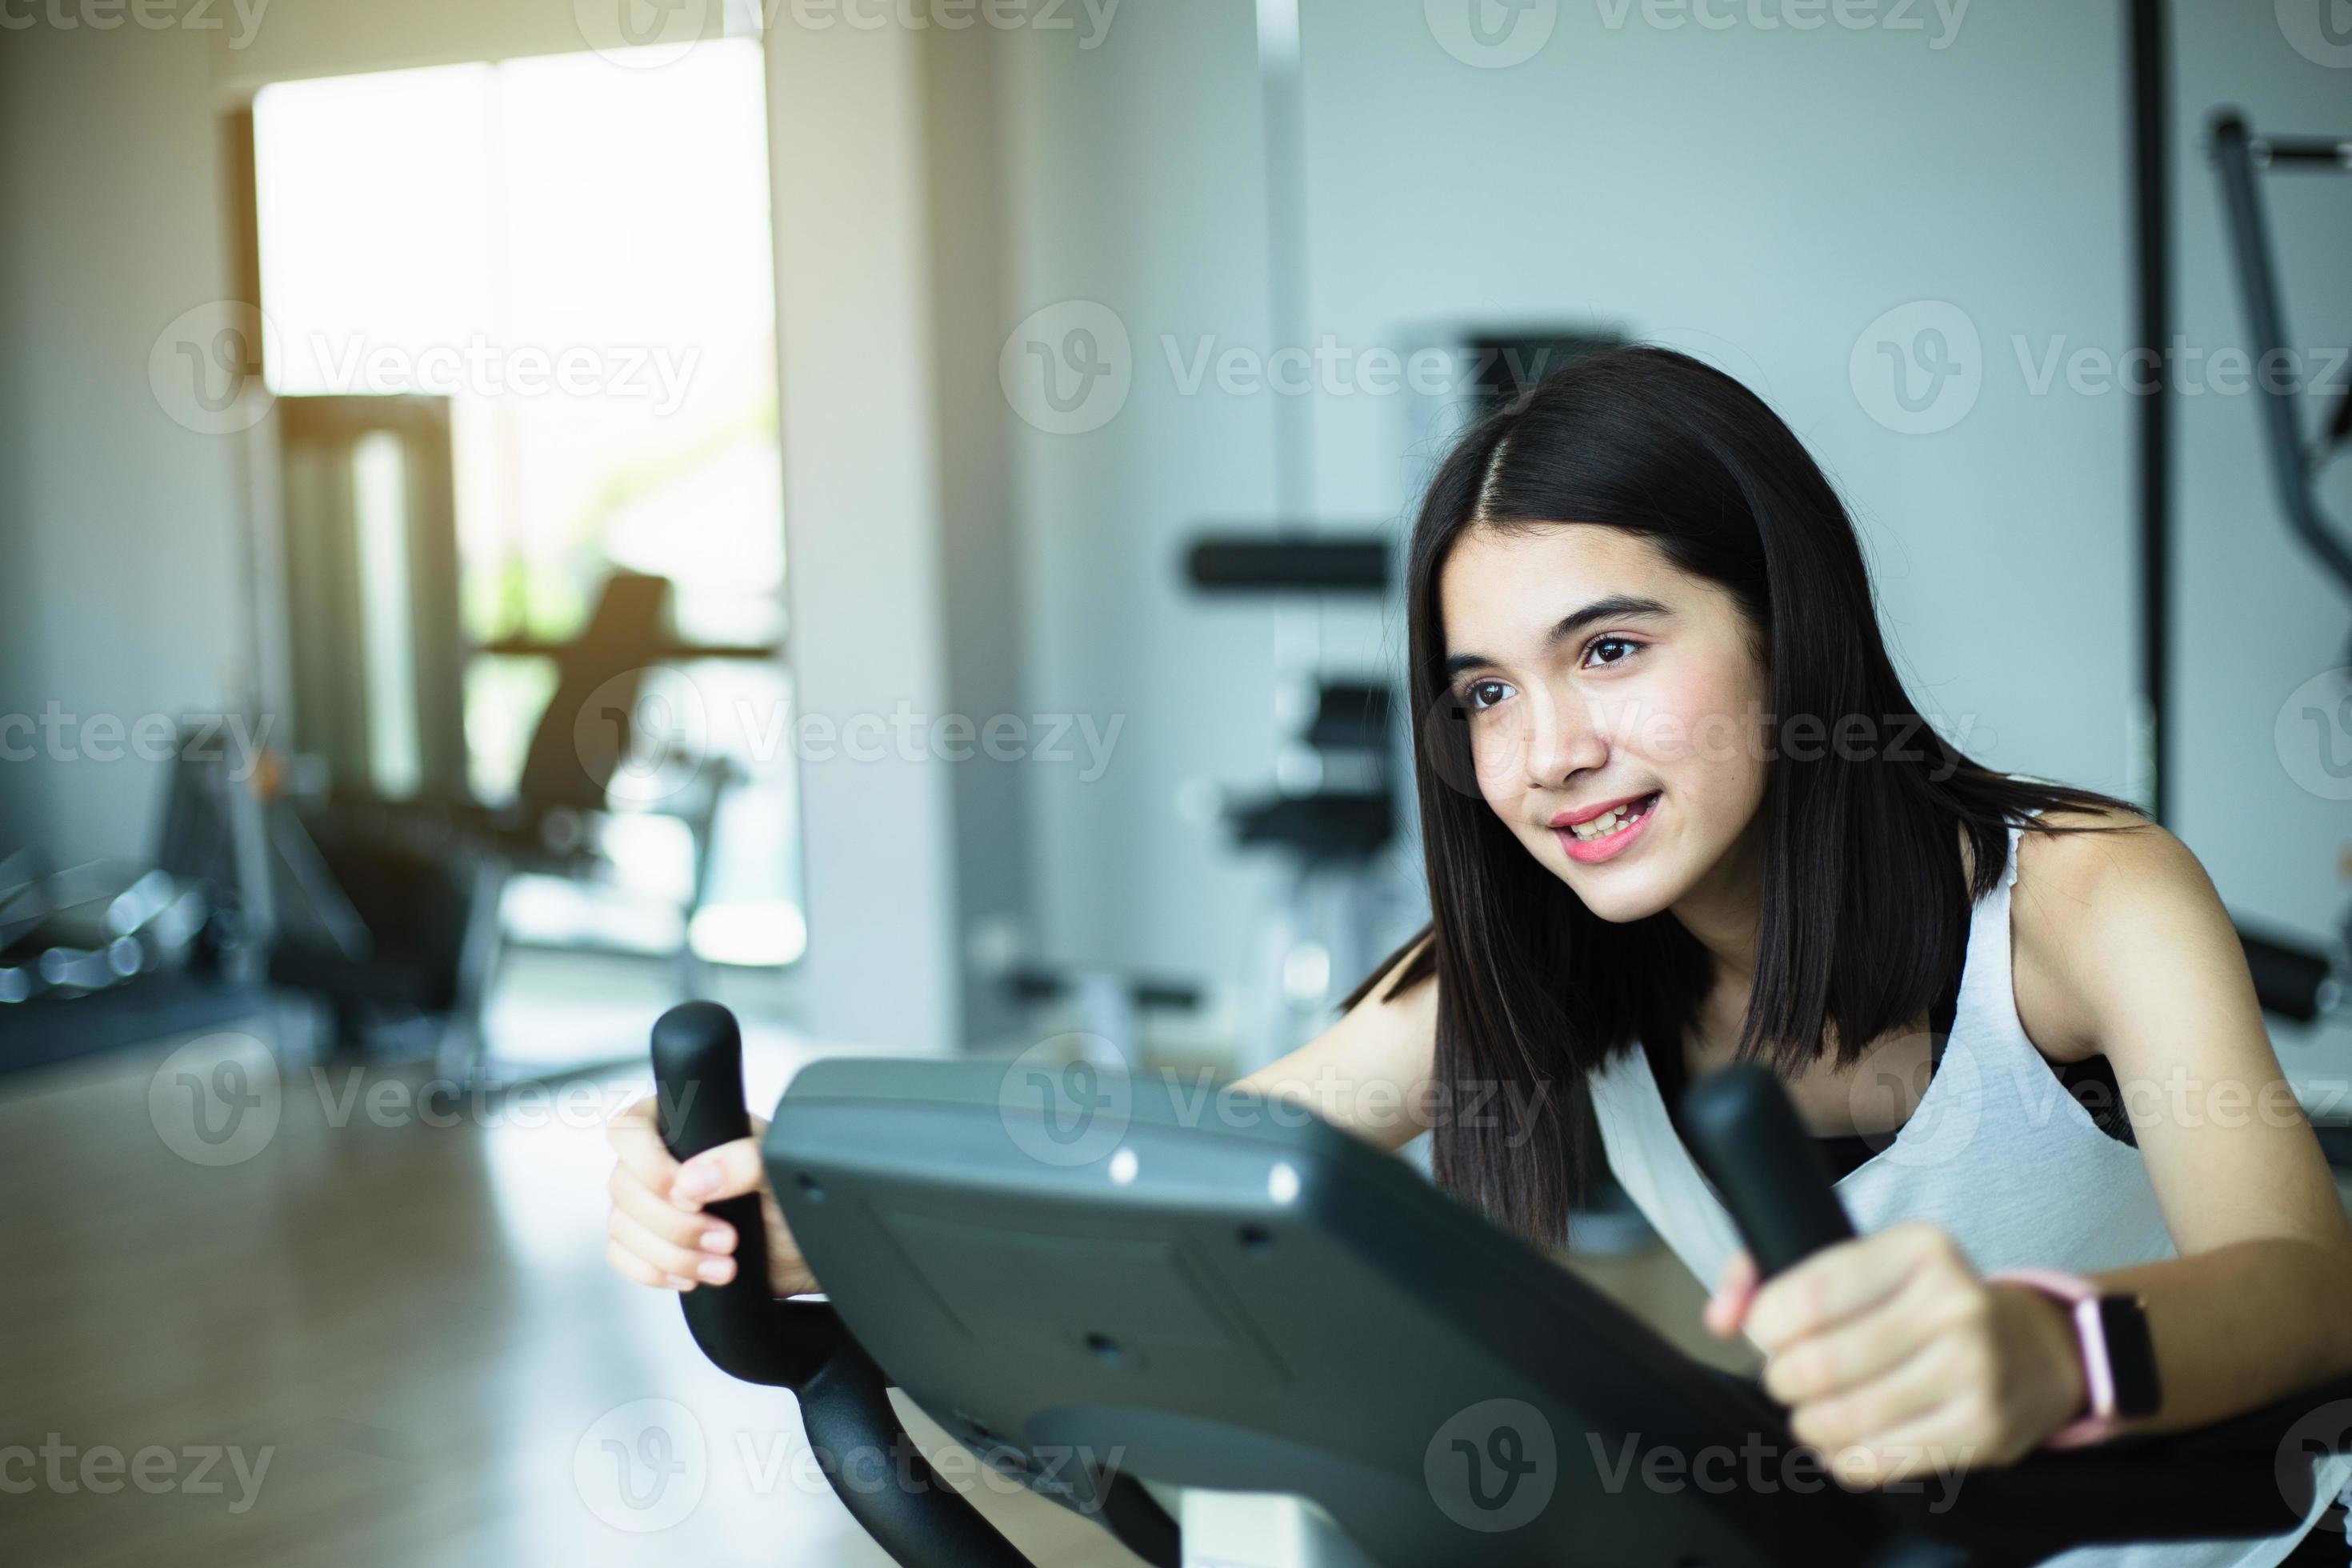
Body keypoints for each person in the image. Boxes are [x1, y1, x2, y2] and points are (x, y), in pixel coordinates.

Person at [603, 346, 2352, 1563]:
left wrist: (2050, 1352)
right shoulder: (1544, 968)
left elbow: (2308, 1281)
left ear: (1787, 624)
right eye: (1487, 693)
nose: (1548, 752)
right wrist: (784, 1205)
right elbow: (1180, 1171)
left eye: (1611, 649)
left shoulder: (2083, 900)